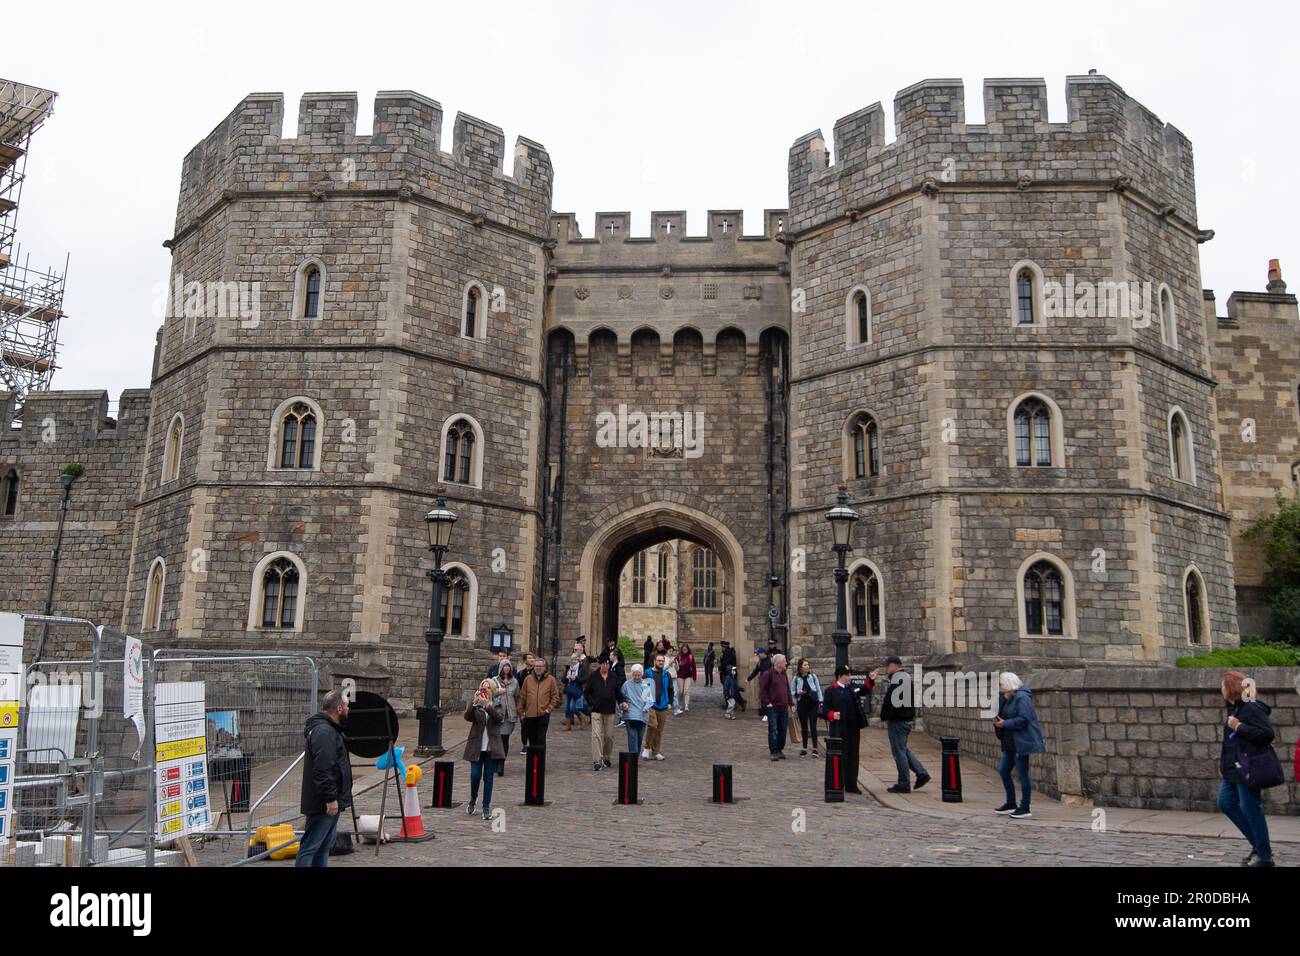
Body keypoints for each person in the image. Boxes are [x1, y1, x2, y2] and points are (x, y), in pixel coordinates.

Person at [1217, 670, 1278, 866]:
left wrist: (1239, 727)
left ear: (1231, 689)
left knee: (1250, 808)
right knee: (1226, 803)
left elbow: (1267, 733)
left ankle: (1265, 855)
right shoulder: (1235, 708)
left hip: (1247, 767)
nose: (1221, 689)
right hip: (1232, 768)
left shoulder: (1251, 709)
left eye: (1223, 686)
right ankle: (1259, 844)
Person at [297, 689, 353, 867]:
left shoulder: (330, 730)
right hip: (322, 802)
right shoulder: (324, 732)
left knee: (323, 847)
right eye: (346, 706)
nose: (348, 710)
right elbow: (323, 769)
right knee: (310, 847)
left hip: (330, 800)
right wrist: (330, 798)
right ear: (338, 708)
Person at [872, 656, 930, 794]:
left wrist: (887, 715)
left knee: (899, 752)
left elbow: (894, 703)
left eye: (888, 666)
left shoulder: (899, 679)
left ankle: (904, 783)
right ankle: (921, 773)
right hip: (903, 719)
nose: (886, 669)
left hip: (899, 721)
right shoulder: (902, 678)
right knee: (902, 749)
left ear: (894, 666)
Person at [992, 672, 1045, 819]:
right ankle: (1011, 803)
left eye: (1002, 687)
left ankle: (1025, 806)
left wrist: (1005, 723)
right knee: (1003, 770)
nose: (1000, 690)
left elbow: (1024, 718)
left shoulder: (1022, 698)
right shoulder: (1008, 698)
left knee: (1022, 774)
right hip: (1009, 742)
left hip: (1020, 742)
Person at [823, 666, 870, 795]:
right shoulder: (831, 691)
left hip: (853, 728)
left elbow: (864, 690)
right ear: (839, 676)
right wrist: (832, 715)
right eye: (847, 675)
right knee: (841, 756)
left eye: (850, 675)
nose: (849, 677)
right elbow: (824, 710)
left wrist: (870, 680)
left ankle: (852, 784)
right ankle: (839, 783)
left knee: (853, 756)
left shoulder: (852, 688)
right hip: (839, 728)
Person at [463, 679, 505, 820]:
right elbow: (467, 717)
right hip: (477, 746)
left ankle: (486, 806)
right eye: (483, 687)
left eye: (487, 688)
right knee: (475, 776)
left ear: (492, 690)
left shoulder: (497, 704)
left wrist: (487, 706)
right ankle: (472, 800)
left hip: (491, 747)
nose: (485, 690)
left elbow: (499, 718)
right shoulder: (477, 705)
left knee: (488, 778)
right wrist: (474, 703)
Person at [584, 656, 624, 771]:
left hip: (610, 710)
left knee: (609, 736)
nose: (606, 666)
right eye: (604, 664)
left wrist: (622, 701)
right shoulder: (593, 677)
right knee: (596, 735)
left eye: (607, 664)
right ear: (600, 665)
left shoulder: (613, 676)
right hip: (596, 710)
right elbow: (587, 692)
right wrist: (592, 703)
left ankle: (606, 756)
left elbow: (617, 692)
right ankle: (597, 760)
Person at [517, 656, 561, 751]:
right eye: (536, 666)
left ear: (544, 667)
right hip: (530, 715)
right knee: (532, 741)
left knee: (541, 740)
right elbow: (522, 696)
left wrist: (549, 709)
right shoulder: (528, 679)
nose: (538, 668)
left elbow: (555, 697)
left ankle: (540, 764)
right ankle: (533, 765)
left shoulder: (550, 680)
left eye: (540, 666)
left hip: (543, 714)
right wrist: (521, 712)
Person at [759, 653, 795, 760]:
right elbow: (762, 690)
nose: (786, 663)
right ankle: (773, 751)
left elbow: (787, 690)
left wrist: (791, 703)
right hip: (773, 707)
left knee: (783, 730)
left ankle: (779, 749)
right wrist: (767, 702)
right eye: (784, 661)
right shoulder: (768, 674)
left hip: (783, 707)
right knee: (773, 729)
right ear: (778, 663)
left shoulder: (783, 674)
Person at [643, 654, 674, 760]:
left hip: (663, 705)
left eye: (662, 661)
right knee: (653, 725)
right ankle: (647, 748)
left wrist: (670, 702)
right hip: (651, 704)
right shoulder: (647, 673)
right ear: (654, 661)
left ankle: (656, 751)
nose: (661, 662)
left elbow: (670, 689)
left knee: (659, 730)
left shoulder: (666, 674)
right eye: (659, 660)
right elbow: (643, 688)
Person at [791, 658, 824, 757]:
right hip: (802, 704)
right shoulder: (796, 678)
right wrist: (798, 692)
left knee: (813, 726)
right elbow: (792, 691)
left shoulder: (813, 676)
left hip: (813, 703)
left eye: (808, 665)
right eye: (805, 665)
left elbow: (818, 689)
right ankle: (804, 748)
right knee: (804, 727)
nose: (807, 666)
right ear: (800, 667)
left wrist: (821, 702)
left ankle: (815, 749)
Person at [621, 664, 655, 756]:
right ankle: (633, 758)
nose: (636, 677)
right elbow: (621, 698)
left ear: (641, 674)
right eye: (634, 675)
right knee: (632, 738)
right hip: (630, 715)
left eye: (638, 675)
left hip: (642, 715)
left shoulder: (645, 684)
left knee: (639, 738)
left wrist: (646, 707)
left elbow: (650, 700)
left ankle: (635, 756)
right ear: (632, 674)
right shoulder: (626, 685)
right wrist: (623, 704)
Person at [493, 661, 519, 776]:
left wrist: (519, 712)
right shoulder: (494, 681)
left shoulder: (514, 682)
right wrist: (498, 692)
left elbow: (517, 697)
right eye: (504, 666)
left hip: (509, 716)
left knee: (504, 739)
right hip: (497, 715)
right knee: (496, 740)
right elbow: (488, 694)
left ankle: (501, 764)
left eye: (508, 666)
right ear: (501, 668)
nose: (507, 668)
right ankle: (495, 761)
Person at [517, 652, 537, 753]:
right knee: (524, 724)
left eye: (533, 658)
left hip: (535, 703)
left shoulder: (537, 672)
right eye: (529, 658)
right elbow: (518, 689)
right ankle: (525, 744)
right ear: (525, 661)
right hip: (524, 703)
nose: (532, 660)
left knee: (533, 724)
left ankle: (533, 743)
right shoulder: (521, 674)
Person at [563, 653, 587, 730]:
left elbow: (585, 679)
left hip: (576, 690)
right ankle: (568, 725)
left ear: (578, 661)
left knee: (572, 707)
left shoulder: (581, 668)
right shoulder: (568, 668)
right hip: (568, 689)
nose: (573, 661)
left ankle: (581, 717)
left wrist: (576, 678)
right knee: (567, 708)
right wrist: (567, 678)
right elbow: (563, 680)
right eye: (572, 660)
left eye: (575, 660)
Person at [747, 646, 771, 721]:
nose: (757, 655)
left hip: (769, 683)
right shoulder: (760, 662)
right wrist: (748, 679)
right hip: (763, 683)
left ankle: (768, 714)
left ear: (763, 653)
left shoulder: (770, 661)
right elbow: (756, 671)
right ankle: (765, 713)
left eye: (758, 654)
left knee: (768, 698)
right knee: (763, 698)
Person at [674, 644, 696, 715]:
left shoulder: (690, 656)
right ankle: (679, 703)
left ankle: (686, 705)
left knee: (686, 690)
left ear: (688, 649)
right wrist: (678, 664)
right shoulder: (678, 657)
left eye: (686, 649)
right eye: (683, 649)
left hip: (688, 676)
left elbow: (694, 667)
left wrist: (694, 677)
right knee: (680, 691)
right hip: (680, 675)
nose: (684, 651)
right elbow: (675, 666)